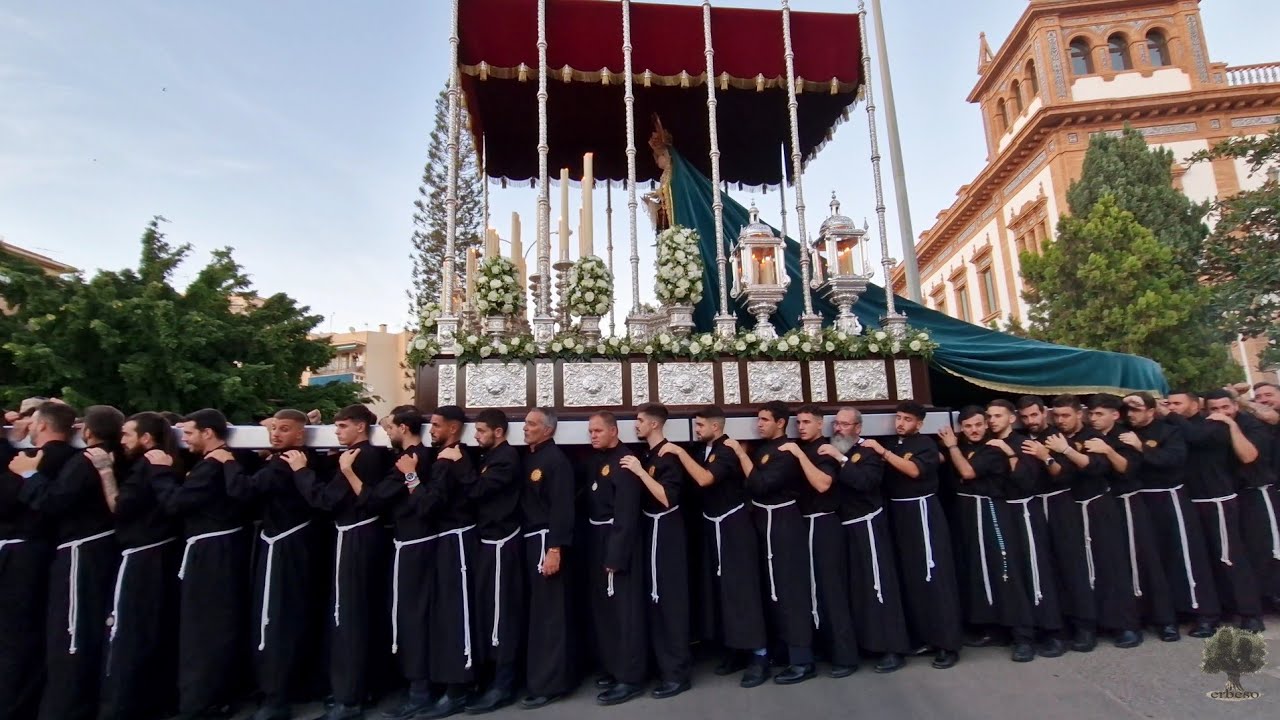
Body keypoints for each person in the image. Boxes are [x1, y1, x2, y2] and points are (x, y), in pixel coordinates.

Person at [10, 403, 123, 720]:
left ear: (87, 431)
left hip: (80, 553)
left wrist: (28, 474)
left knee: (71, 634)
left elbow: (55, 501)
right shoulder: (101, 459)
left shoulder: (86, 461)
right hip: (87, 552)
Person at [219, 409, 323, 720]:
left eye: (284, 429)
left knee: (275, 618)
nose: (275, 433)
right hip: (290, 545)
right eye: (273, 428)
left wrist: (227, 462)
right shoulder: (287, 459)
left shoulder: (284, 463)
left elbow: (244, 490)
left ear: (300, 434)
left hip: (284, 548)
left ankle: (276, 695)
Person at [659, 405, 769, 688]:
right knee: (722, 592)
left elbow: (705, 478)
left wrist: (678, 452)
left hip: (734, 527)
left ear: (716, 427)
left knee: (743, 590)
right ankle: (735, 648)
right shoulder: (704, 451)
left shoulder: (727, 450)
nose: (696, 431)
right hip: (713, 524)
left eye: (700, 426)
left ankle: (759, 656)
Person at [294, 404, 393, 720]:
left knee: (348, 615)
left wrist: (301, 471)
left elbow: (325, 499)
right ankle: (363, 687)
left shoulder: (358, 457)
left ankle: (349, 697)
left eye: (342, 426)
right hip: (367, 538)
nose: (337, 432)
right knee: (362, 613)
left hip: (356, 540)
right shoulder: (370, 453)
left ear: (361, 427)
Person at [93, 412, 182, 720]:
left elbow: (119, 506)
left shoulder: (148, 467)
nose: (122, 440)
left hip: (140, 555)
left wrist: (105, 470)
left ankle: (121, 704)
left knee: (127, 629)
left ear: (146, 438)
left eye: (128, 435)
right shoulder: (169, 461)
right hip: (163, 552)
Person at [166, 409, 250, 719]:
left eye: (188, 433)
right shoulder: (218, 462)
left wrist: (162, 474)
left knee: (203, 627)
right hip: (220, 548)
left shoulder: (213, 465)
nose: (184, 438)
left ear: (208, 433)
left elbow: (176, 503)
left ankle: (200, 702)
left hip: (210, 553)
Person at [1042, 396, 1142, 651]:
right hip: (1069, 509)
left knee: (1111, 564)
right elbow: (1058, 471)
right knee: (1076, 569)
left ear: (1079, 414)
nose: (1061, 421)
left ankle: (1123, 625)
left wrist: (1066, 450)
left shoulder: (1093, 437)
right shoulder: (1051, 437)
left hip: (1098, 505)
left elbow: (1096, 467)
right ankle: (1085, 627)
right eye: (1057, 416)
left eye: (1066, 416)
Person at [869, 400, 962, 669]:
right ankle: (925, 636)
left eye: (907, 419)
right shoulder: (893, 443)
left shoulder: (926, 445)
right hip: (898, 514)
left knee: (934, 577)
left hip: (922, 512)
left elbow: (914, 470)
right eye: (898, 417)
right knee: (911, 578)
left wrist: (882, 453)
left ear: (919, 424)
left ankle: (947, 643)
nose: (900, 423)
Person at [940, 406, 1037, 663]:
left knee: (1005, 570)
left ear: (986, 425)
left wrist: (951, 448)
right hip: (968, 513)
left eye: (978, 425)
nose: (974, 430)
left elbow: (967, 472)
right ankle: (994, 627)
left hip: (991, 511)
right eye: (968, 426)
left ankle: (1023, 636)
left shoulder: (992, 448)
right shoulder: (964, 446)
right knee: (978, 572)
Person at [1, 400, 79, 720]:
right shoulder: (69, 458)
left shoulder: (38, 461)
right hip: (35, 552)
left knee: (17, 639)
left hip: (25, 554)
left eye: (33, 422)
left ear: (43, 425)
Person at [727, 401, 814, 684]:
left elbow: (761, 485)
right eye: (758, 419)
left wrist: (740, 454)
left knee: (790, 588)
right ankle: (779, 650)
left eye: (765, 419)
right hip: (763, 521)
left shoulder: (787, 451)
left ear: (781, 423)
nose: (759, 424)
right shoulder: (764, 450)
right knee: (769, 589)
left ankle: (802, 658)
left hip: (785, 523)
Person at [821, 408, 911, 673]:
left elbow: (866, 482)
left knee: (878, 586)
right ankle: (866, 644)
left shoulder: (869, 451)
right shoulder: (831, 449)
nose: (838, 429)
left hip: (867, 523)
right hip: (842, 527)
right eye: (836, 424)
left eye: (844, 425)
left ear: (858, 428)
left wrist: (840, 459)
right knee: (856, 589)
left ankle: (892, 647)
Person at [1122, 393, 1219, 638]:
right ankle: (1166, 618)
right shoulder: (1123, 432)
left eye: (1136, 408)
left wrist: (1140, 448)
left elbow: (1173, 459)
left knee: (1186, 555)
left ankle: (1204, 614)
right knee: (1154, 560)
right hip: (1141, 500)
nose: (1131, 414)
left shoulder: (1168, 431)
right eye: (1127, 409)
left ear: (1151, 410)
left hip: (1170, 498)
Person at [1165, 391, 1264, 632]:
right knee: (1201, 560)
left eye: (1178, 403)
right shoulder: (1175, 426)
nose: (1173, 408)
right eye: (1169, 403)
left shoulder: (1214, 425)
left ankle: (1250, 613)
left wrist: (1171, 416)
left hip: (1217, 499)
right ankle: (1211, 613)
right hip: (1190, 500)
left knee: (1230, 558)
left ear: (1195, 405)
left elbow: (1196, 437)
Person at [1086, 394, 1177, 641]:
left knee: (1147, 561)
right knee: (1116, 565)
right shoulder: (1088, 437)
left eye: (1099, 414)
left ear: (1115, 415)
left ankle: (1165, 620)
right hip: (1103, 507)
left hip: (1128, 502)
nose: (1094, 418)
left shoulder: (1125, 436)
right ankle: (1127, 621)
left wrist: (1107, 450)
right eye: (1091, 414)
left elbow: (1128, 469)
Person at [779, 404, 858, 677]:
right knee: (809, 590)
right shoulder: (803, 448)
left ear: (820, 424)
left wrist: (799, 456)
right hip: (802, 524)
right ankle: (821, 647)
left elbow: (823, 484)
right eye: (798, 422)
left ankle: (845, 656)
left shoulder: (825, 450)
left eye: (806, 422)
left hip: (824, 524)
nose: (801, 427)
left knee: (831, 590)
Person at [621, 403, 692, 699]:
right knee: (655, 602)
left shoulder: (668, 455)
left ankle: (677, 674)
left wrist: (639, 472)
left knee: (671, 602)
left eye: (639, 421)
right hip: (651, 530)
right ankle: (660, 667)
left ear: (653, 424)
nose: (636, 425)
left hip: (668, 532)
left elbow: (667, 498)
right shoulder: (648, 454)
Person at [373, 407, 437, 720]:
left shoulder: (413, 459)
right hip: (409, 544)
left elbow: (378, 497)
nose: (387, 432)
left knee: (414, 616)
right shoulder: (411, 455)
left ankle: (419, 691)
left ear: (404, 427)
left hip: (415, 546)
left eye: (390, 428)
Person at [989, 399, 1065, 657]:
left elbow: (1025, 479)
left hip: (1024, 510)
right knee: (1009, 572)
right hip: (1001, 512)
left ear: (1011, 418)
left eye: (998, 415)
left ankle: (1051, 630)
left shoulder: (1024, 444)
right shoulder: (987, 444)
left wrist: (1008, 453)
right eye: (990, 416)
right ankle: (1021, 635)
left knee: (1036, 568)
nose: (992, 421)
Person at [419, 406, 482, 719]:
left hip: (457, 541)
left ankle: (458, 686)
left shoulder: (450, 458)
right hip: (447, 541)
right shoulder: (444, 456)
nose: (431, 429)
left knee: (457, 612)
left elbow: (428, 504)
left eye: (435, 425)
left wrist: (409, 479)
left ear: (454, 428)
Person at [584, 411, 647, 705]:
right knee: (605, 611)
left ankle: (630, 677)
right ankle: (613, 666)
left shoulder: (625, 462)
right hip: (598, 539)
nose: (592, 435)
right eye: (590, 431)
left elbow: (626, 513)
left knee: (626, 613)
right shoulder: (599, 460)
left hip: (617, 542)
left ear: (613, 431)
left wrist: (616, 554)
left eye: (598, 431)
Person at [464, 409, 523, 714]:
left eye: (482, 431)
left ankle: (504, 684)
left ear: (499, 432)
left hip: (502, 543)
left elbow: (478, 490)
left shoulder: (506, 458)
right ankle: (489, 677)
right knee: (487, 612)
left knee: (503, 614)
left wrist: (458, 463)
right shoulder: (488, 457)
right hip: (486, 543)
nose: (476, 436)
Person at [519, 408, 577, 709]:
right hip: (530, 541)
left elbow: (562, 509)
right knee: (538, 613)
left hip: (546, 541)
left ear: (549, 430)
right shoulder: (530, 457)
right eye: (526, 423)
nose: (525, 427)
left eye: (532, 424)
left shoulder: (555, 461)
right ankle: (540, 677)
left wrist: (554, 549)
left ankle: (552, 683)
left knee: (550, 616)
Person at [1203, 390, 1276, 626]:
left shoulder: (1251, 424)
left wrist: (1231, 426)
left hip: (1256, 491)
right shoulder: (1208, 428)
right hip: (1229, 496)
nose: (1220, 413)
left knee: (1265, 549)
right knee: (1238, 551)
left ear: (1235, 406)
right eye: (1214, 409)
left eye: (1225, 407)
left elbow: (1247, 456)